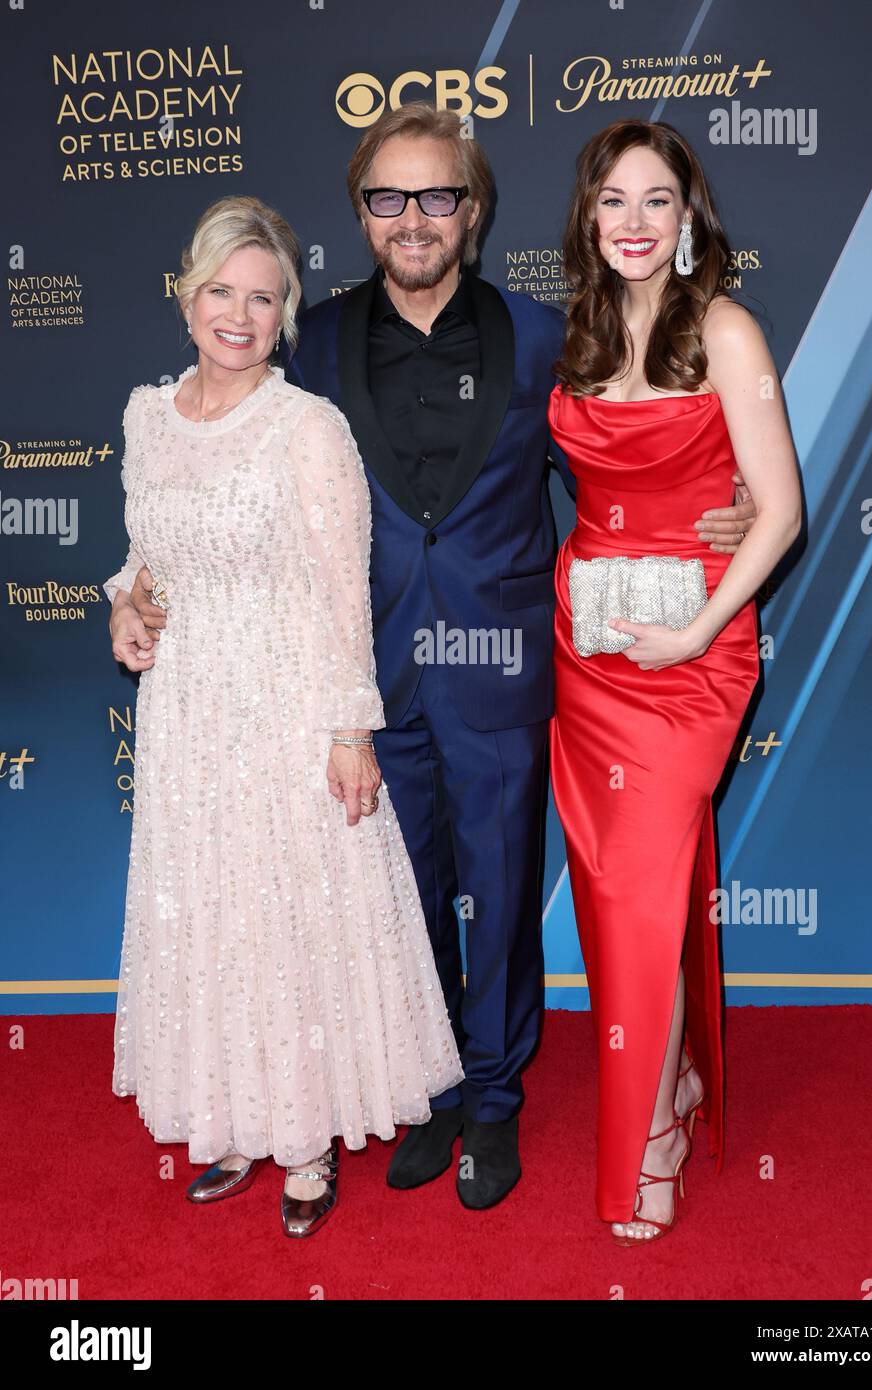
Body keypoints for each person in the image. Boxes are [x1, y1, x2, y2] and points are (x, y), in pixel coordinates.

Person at [121, 103, 757, 1211]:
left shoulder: (546, 333)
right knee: (401, 896)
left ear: (472, 209)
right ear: (362, 213)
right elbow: (206, 479)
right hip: (359, 679)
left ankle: (499, 1099)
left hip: (502, 661)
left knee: (502, 896)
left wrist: (730, 502)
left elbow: (631, 448)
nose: (413, 218)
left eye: (437, 196)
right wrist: (135, 590)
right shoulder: (304, 338)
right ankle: (437, 1087)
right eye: (388, 198)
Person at [103, 194, 463, 1238]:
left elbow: (344, 591)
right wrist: (124, 606)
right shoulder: (145, 417)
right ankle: (230, 1123)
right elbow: (145, 558)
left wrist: (351, 730)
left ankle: (304, 1141)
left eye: (263, 298)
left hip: (285, 707)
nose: (240, 314)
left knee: (286, 918)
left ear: (284, 314)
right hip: (185, 717)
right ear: (186, 295)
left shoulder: (308, 427)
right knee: (208, 916)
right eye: (222, 290)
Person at [548, 119, 801, 1244]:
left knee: (643, 895)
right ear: (588, 219)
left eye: (657, 201)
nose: (635, 223)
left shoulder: (729, 329)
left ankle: (650, 1137)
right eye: (613, 201)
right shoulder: (578, 333)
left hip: (694, 655)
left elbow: (779, 511)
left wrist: (699, 627)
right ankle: (679, 1080)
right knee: (613, 893)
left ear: (690, 216)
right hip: (592, 646)